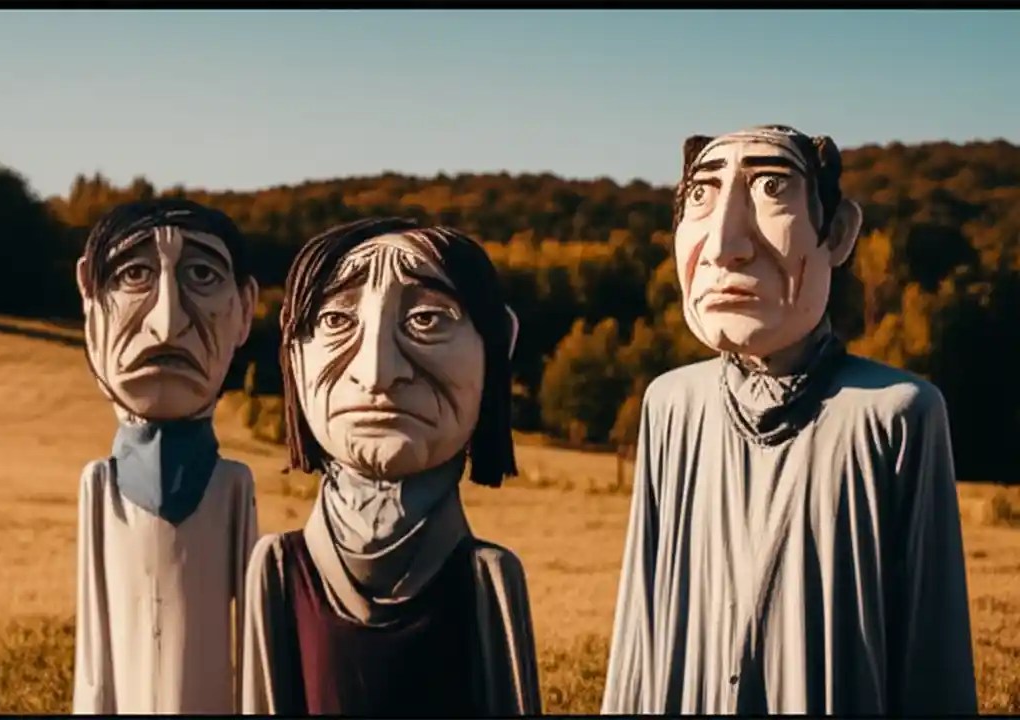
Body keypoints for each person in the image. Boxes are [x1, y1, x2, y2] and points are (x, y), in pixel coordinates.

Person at [601, 124, 978, 715]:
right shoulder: (671, 404)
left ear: (839, 232)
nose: (727, 242)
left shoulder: (896, 413)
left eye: (772, 187)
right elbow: (639, 622)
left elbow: (933, 650)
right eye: (700, 196)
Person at [241, 217, 541, 716]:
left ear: (497, 350)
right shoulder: (278, 567)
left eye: (426, 319)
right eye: (336, 321)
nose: (377, 372)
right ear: (293, 355)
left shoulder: (486, 577)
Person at [72, 198, 260, 714]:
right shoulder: (99, 485)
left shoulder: (232, 485)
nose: (168, 322)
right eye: (134, 274)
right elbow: (92, 643)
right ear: (89, 299)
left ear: (246, 309)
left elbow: (252, 641)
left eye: (201, 273)